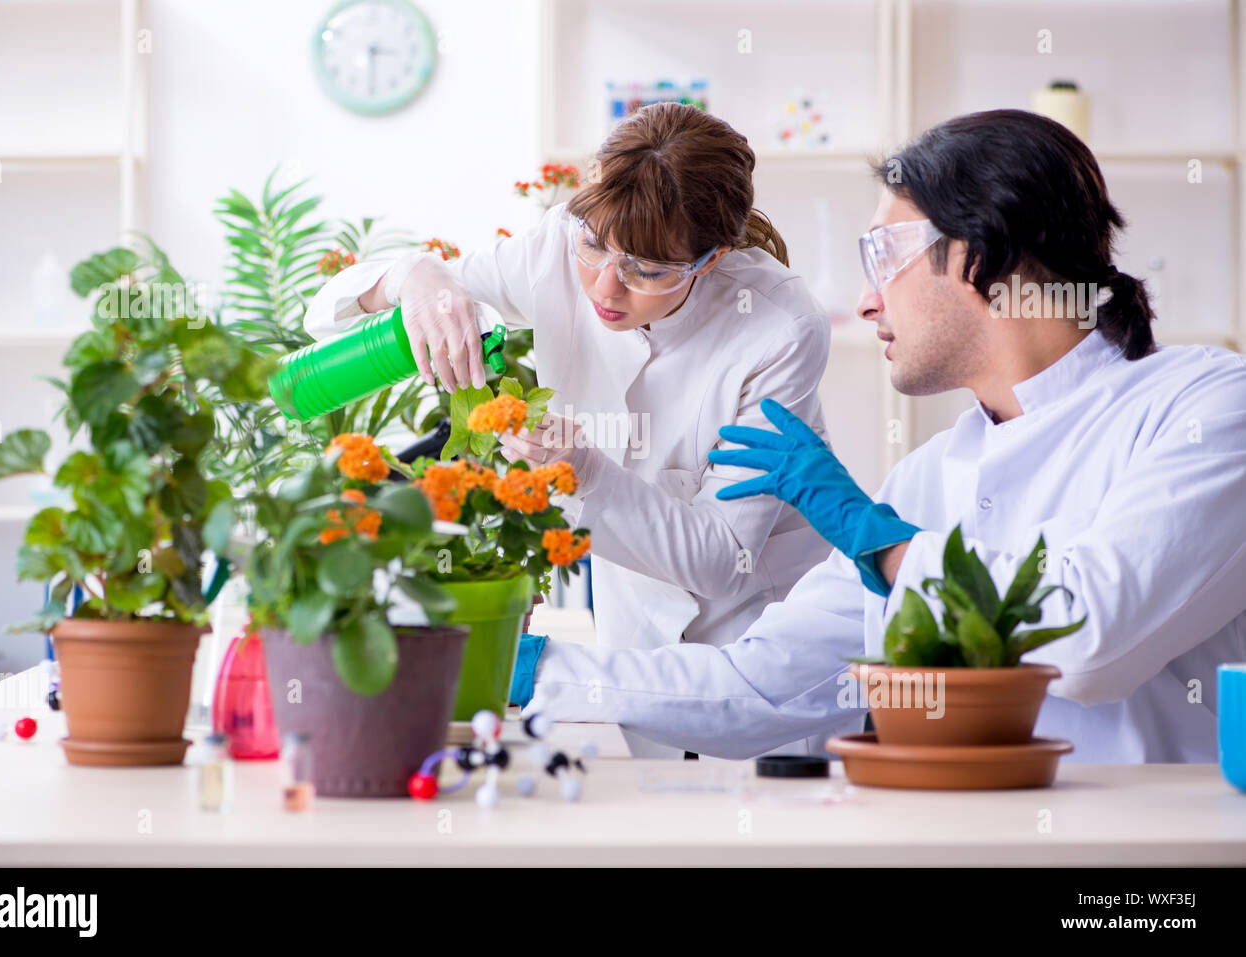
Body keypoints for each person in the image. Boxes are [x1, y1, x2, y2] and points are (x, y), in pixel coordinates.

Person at [511, 109, 1246, 763]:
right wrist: (518, 668)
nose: (865, 302)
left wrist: (884, 543)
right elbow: (755, 688)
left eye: (882, 258)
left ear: (981, 254)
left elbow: (1091, 640)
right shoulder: (927, 481)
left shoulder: (1206, 406)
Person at [304, 102, 836, 757]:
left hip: (759, 643)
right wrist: (414, 275)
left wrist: (586, 469)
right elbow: (322, 319)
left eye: (649, 269)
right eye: (594, 247)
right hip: (636, 651)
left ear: (712, 257)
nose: (604, 286)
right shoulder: (560, 244)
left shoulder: (778, 328)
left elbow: (725, 561)